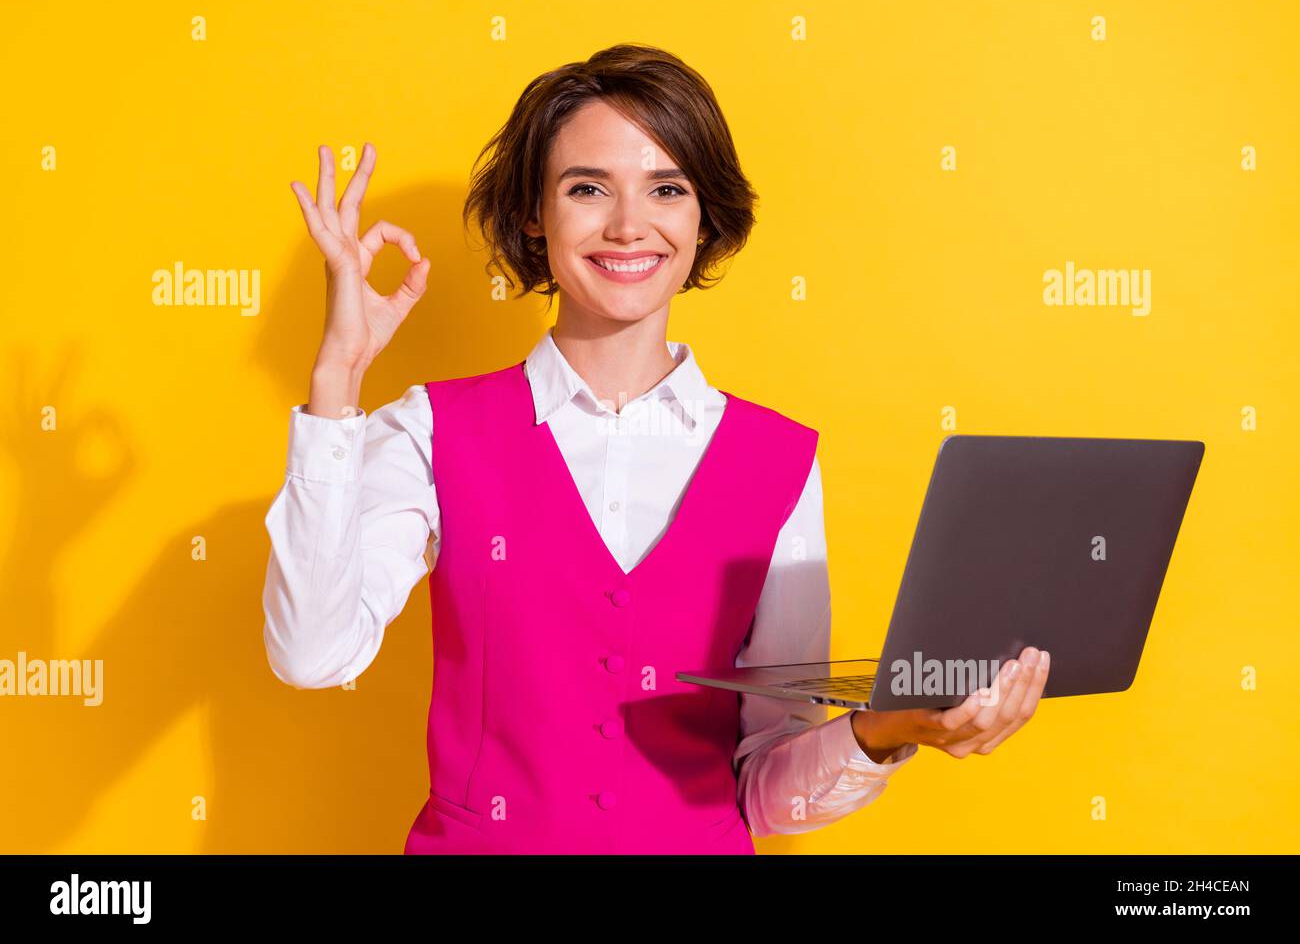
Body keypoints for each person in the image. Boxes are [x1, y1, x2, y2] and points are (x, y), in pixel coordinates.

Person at [263, 43, 1050, 854]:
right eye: (587, 188)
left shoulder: (778, 461)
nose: (629, 225)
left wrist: (886, 728)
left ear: (703, 215)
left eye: (666, 188)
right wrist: (339, 379)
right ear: (536, 214)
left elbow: (767, 785)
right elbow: (312, 655)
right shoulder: (431, 430)